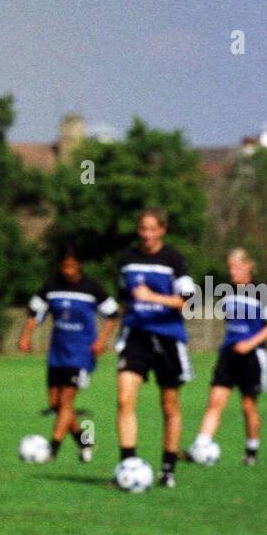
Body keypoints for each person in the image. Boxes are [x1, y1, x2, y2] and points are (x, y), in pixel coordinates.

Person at [114, 207, 196, 488]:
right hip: (135, 336)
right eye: (143, 229)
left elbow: (187, 301)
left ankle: (168, 469)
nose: (147, 234)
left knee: (169, 404)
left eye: (153, 229)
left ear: (162, 230)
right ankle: (127, 466)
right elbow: (124, 302)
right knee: (124, 399)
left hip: (167, 338)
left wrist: (154, 297)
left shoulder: (174, 260)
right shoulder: (126, 260)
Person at [18, 248, 119, 460]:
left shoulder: (92, 289)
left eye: (72, 266)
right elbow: (34, 313)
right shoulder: (51, 287)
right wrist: (26, 336)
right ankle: (85, 441)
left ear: (79, 266)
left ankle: (52, 450)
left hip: (82, 355)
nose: (68, 271)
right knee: (56, 404)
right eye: (65, 266)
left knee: (66, 401)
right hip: (57, 354)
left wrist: (101, 341)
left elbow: (113, 315)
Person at [185, 249, 267, 466]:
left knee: (248, 405)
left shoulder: (262, 293)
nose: (232, 271)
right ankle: (201, 446)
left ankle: (251, 451)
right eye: (230, 267)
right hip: (228, 356)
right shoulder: (227, 293)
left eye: (236, 266)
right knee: (215, 401)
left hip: (252, 357)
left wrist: (249, 344)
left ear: (248, 266)